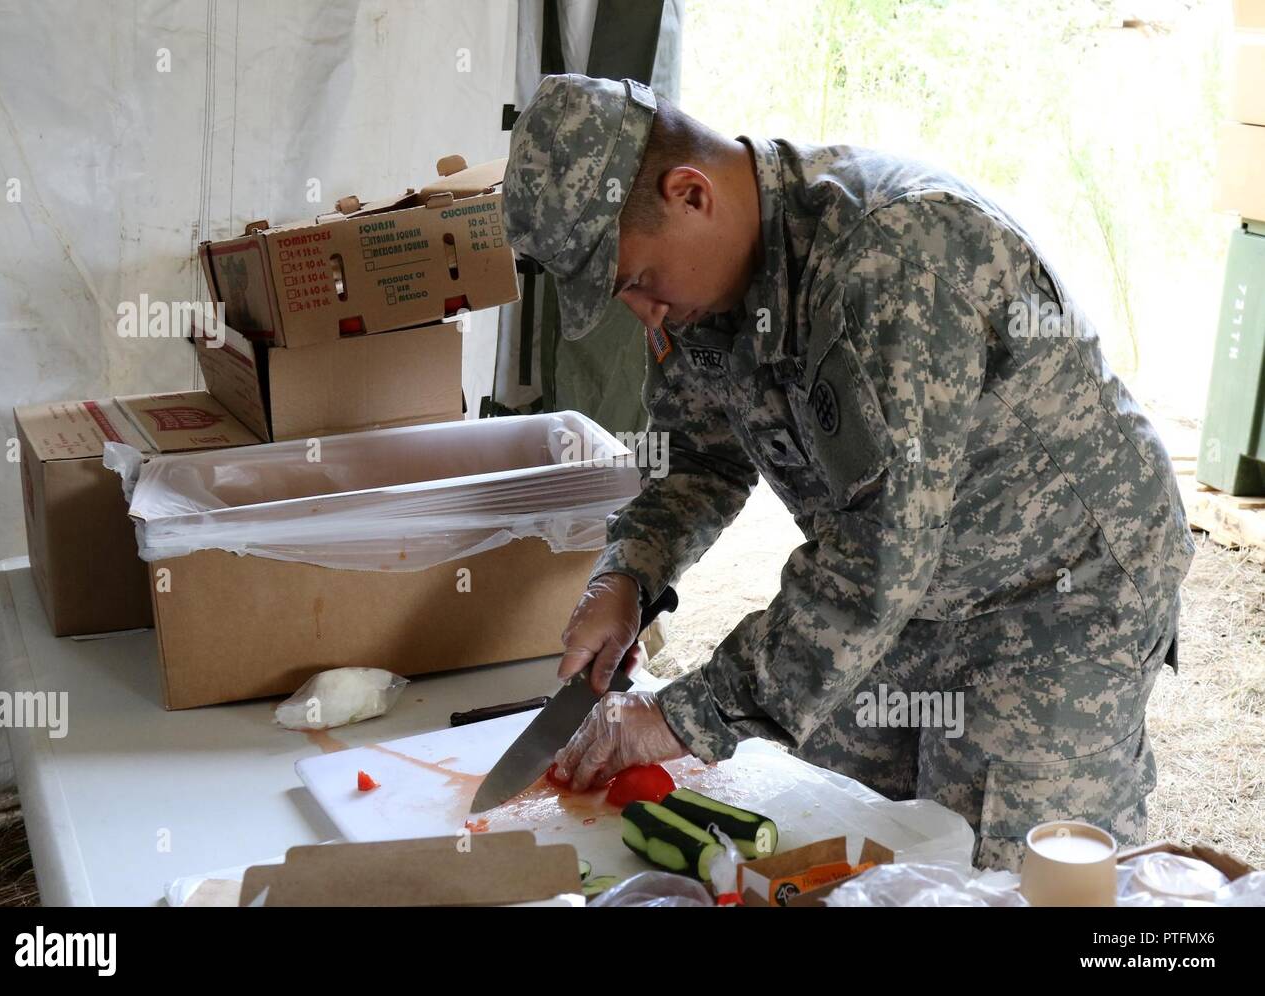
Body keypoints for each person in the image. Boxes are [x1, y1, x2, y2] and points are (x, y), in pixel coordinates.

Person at [502, 74, 1193, 870]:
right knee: (849, 848)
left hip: (1059, 591)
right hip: (912, 588)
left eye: (635, 281)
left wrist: (682, 716)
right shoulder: (695, 292)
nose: (643, 312)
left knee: (1008, 875)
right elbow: (698, 455)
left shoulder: (889, 260)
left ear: (690, 194)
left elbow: (879, 557)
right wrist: (626, 577)